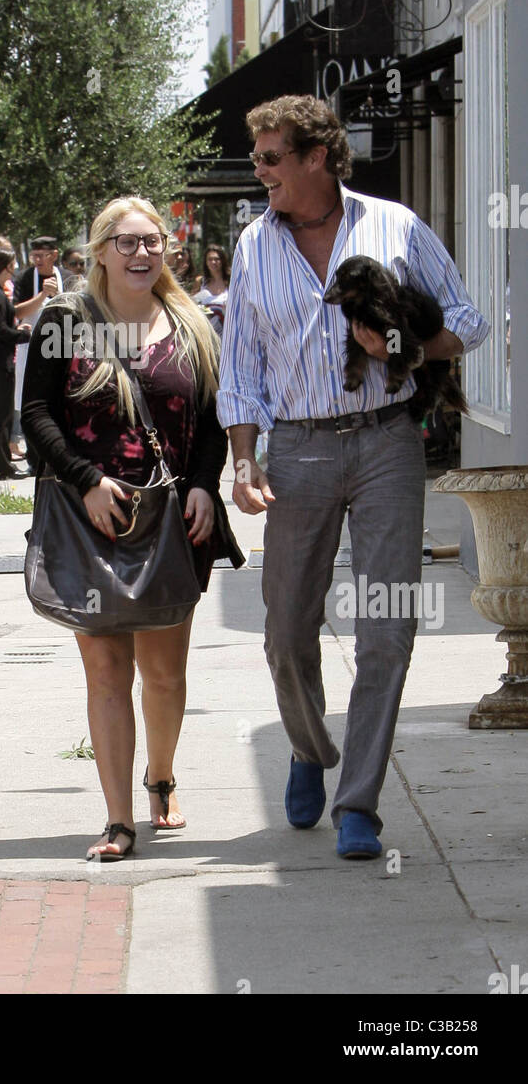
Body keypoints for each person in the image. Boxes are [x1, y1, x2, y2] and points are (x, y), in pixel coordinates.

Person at [218, 95, 489, 859]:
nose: (260, 170)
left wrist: (398, 339)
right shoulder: (251, 246)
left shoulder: (395, 226)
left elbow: (466, 322)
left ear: (317, 157)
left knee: (387, 626)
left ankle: (359, 803)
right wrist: (243, 460)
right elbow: (239, 367)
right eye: (259, 157)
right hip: (298, 448)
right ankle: (308, 747)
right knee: (285, 629)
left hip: (387, 443)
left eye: (272, 157)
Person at [22, 196, 242, 861]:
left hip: (174, 519)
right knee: (106, 670)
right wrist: (85, 481)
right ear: (100, 252)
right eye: (127, 243)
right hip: (92, 517)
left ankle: (162, 774)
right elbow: (36, 414)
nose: (141, 253)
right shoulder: (68, 321)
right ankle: (119, 820)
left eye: (152, 242)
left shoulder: (194, 323)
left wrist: (206, 483)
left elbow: (210, 420)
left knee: (165, 672)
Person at [0, 247, 32, 480]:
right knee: (2, 415)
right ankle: (2, 466)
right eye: (12, 264)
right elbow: (1, 330)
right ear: (6, 266)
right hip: (0, 362)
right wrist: (22, 334)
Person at [13, 236, 64, 471]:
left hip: (61, 348)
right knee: (30, 402)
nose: (38, 261)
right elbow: (16, 311)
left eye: (42, 256)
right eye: (34, 256)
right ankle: (34, 460)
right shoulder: (24, 278)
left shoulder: (68, 277)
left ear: (54, 255)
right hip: (31, 348)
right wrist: (42, 295)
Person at [194, 243, 231, 337]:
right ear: (206, 262)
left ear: (222, 261)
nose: (213, 262)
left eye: (217, 259)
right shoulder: (200, 281)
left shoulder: (230, 281)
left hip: (227, 332)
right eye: (210, 259)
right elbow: (192, 304)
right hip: (206, 332)